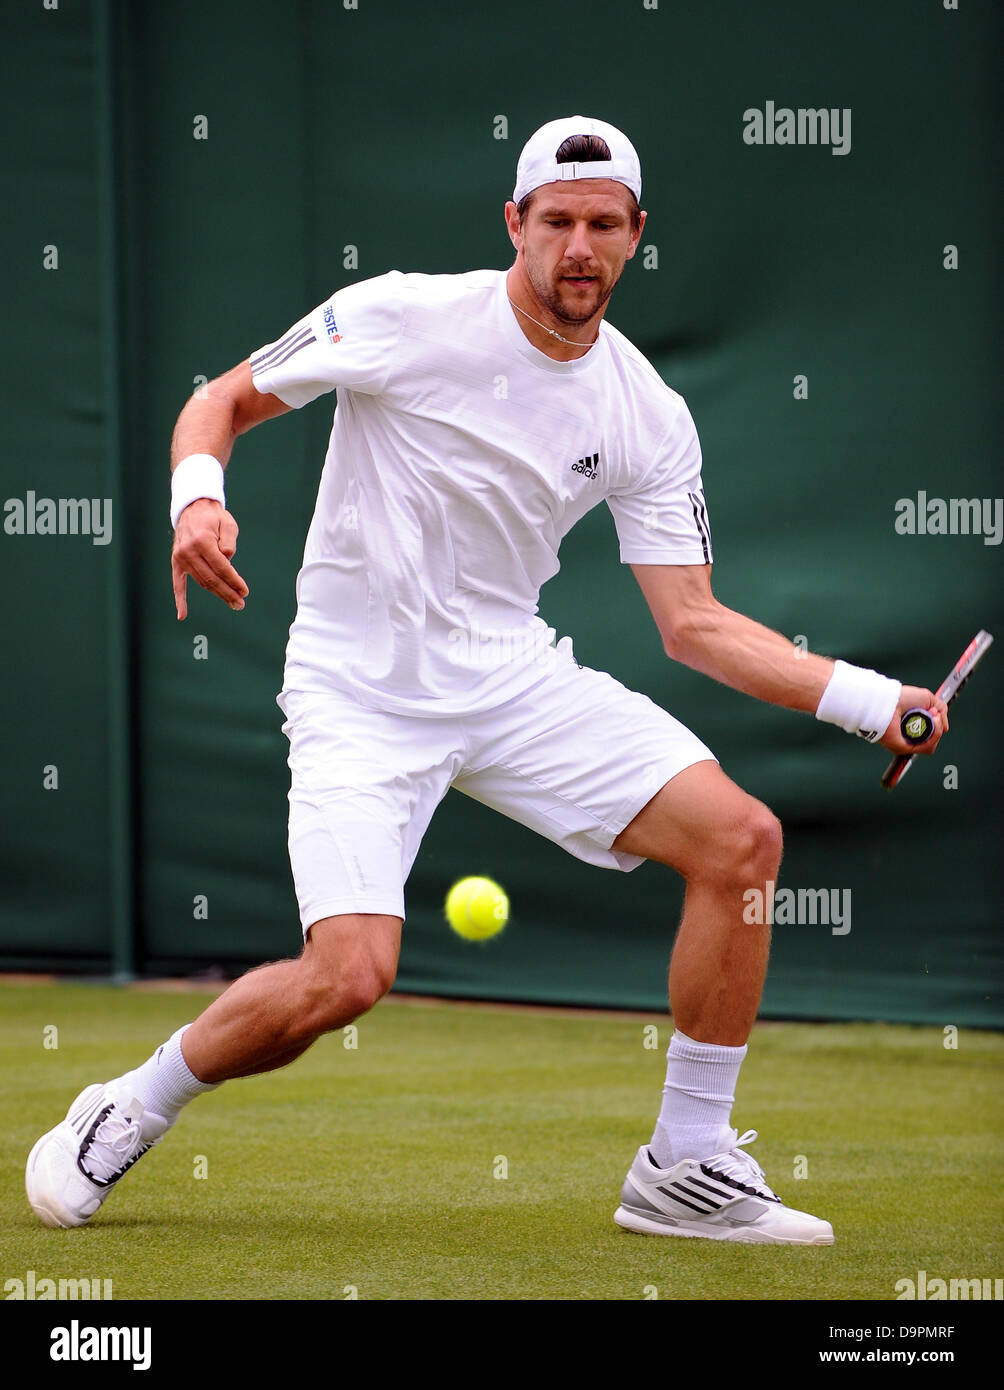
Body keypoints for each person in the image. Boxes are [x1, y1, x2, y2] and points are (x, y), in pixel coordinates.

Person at [26, 116, 947, 1244]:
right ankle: (126, 1106)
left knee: (740, 840)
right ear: (514, 223)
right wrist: (197, 501)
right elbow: (217, 400)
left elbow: (693, 624)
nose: (577, 245)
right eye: (554, 221)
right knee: (348, 978)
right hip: (356, 690)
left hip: (511, 676)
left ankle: (686, 1163)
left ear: (633, 237)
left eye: (602, 224)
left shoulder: (646, 411)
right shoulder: (401, 316)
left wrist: (865, 701)